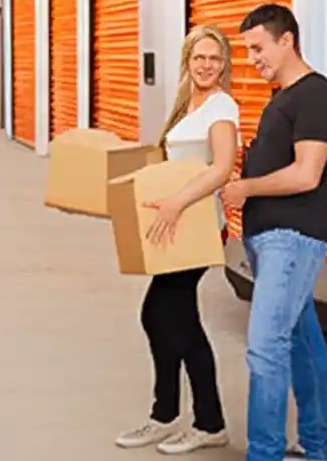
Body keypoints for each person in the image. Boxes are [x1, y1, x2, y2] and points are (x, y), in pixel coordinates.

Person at [221, 4, 327, 461]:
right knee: (301, 344)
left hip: (290, 239)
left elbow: (307, 174)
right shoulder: (284, 98)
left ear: (286, 39)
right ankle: (321, 445)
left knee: (265, 349)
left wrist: (246, 188)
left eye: (258, 48)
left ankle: (265, 453)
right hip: (272, 240)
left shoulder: (315, 96)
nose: (252, 59)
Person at [116, 24, 239, 455]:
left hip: (198, 224)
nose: (206, 65)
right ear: (187, 60)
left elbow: (221, 168)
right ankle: (167, 415)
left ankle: (206, 423)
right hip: (178, 221)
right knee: (160, 315)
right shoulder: (190, 104)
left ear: (224, 65)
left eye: (215, 58)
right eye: (199, 57)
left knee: (173, 317)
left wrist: (175, 202)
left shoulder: (222, 107)